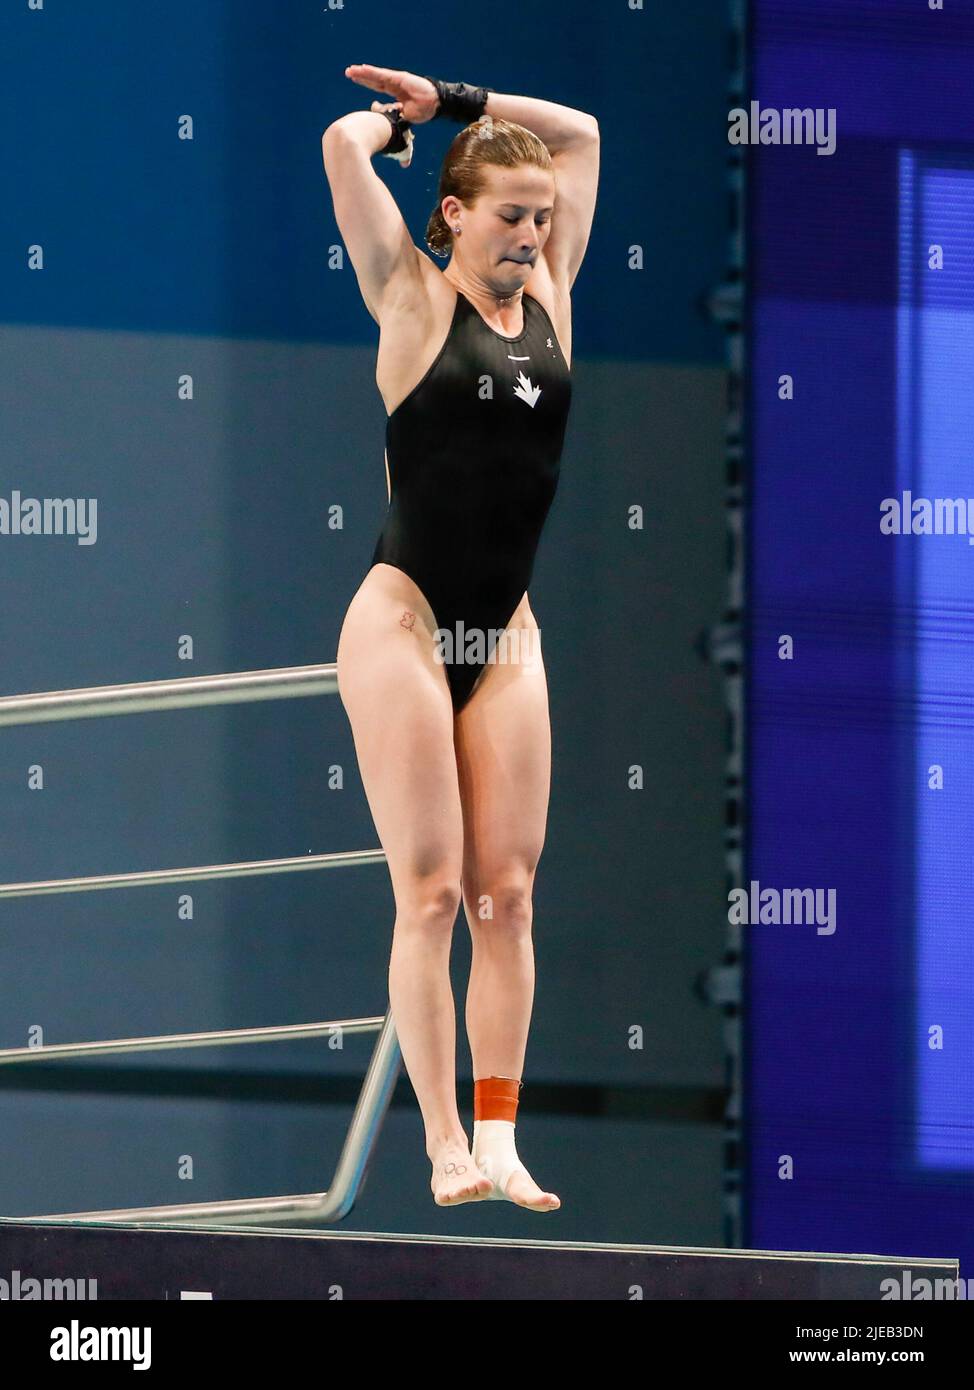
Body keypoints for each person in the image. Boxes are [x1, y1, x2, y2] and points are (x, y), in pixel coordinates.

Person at [321, 66, 599, 1210]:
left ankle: (498, 1135)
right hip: (403, 620)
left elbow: (577, 129)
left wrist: (463, 93)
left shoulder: (555, 300)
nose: (533, 235)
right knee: (430, 894)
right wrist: (406, 121)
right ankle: (438, 1140)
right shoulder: (410, 300)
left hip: (509, 635)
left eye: (541, 217)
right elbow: (343, 143)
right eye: (510, 217)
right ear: (452, 216)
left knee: (508, 896)